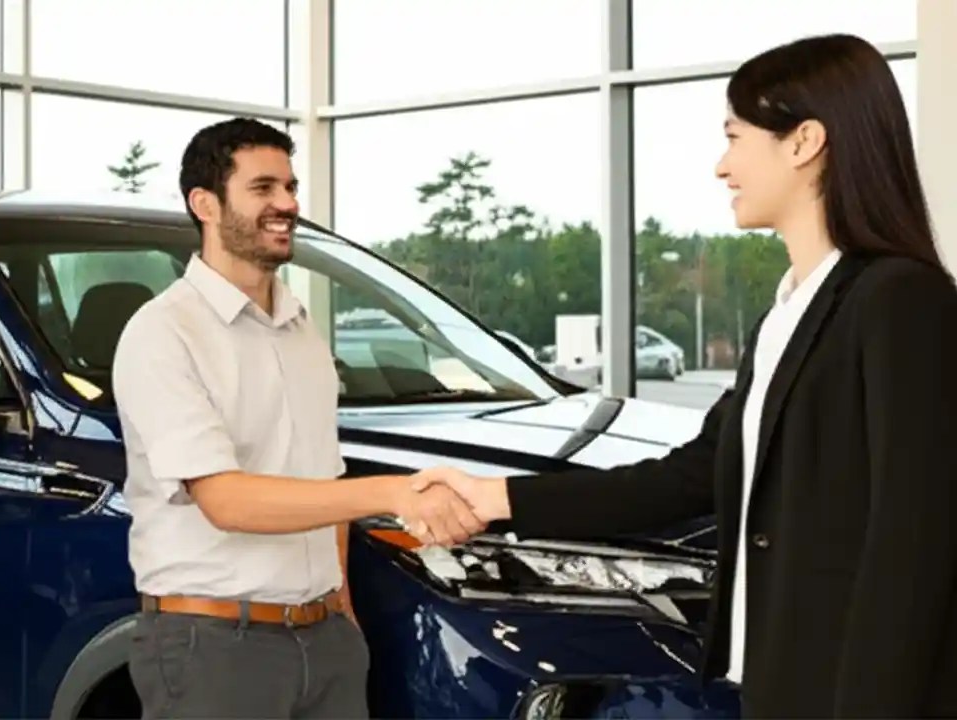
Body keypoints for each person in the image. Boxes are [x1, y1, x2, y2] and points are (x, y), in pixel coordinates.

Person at [415, 33, 957, 718]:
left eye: (735, 137)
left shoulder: (900, 299)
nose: (722, 166)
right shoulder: (789, 312)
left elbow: (916, 539)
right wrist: (493, 496)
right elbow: (690, 477)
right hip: (778, 680)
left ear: (804, 142)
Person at [112, 117, 482, 718]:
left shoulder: (300, 328)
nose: (286, 203)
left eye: (289, 186)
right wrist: (392, 492)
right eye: (263, 188)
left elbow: (321, 476)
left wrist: (339, 604)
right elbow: (227, 502)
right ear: (204, 204)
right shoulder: (163, 333)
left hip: (324, 641)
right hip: (216, 648)